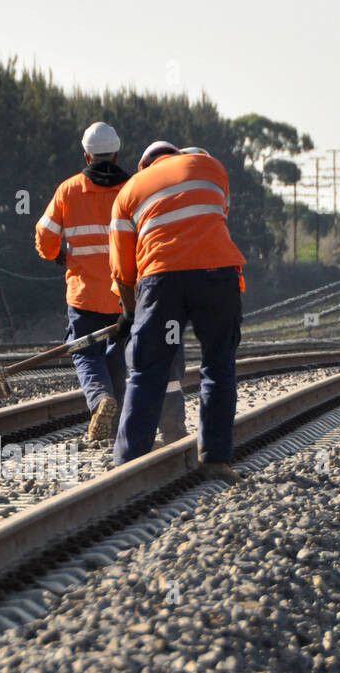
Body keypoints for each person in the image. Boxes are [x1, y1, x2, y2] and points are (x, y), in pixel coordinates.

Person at [108, 141, 246, 479]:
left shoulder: (128, 192)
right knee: (218, 366)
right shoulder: (210, 167)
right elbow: (217, 216)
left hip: (161, 280)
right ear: (178, 156)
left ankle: (127, 465)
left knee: (147, 371)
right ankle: (215, 459)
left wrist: (130, 312)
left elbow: (123, 272)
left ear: (144, 166)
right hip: (217, 274)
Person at [35, 122, 133, 440]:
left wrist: (55, 255)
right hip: (125, 295)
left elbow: (45, 236)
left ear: (87, 156)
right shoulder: (134, 189)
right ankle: (113, 422)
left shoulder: (69, 190)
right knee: (117, 354)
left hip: (85, 295)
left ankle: (100, 400)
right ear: (116, 155)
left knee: (83, 351)